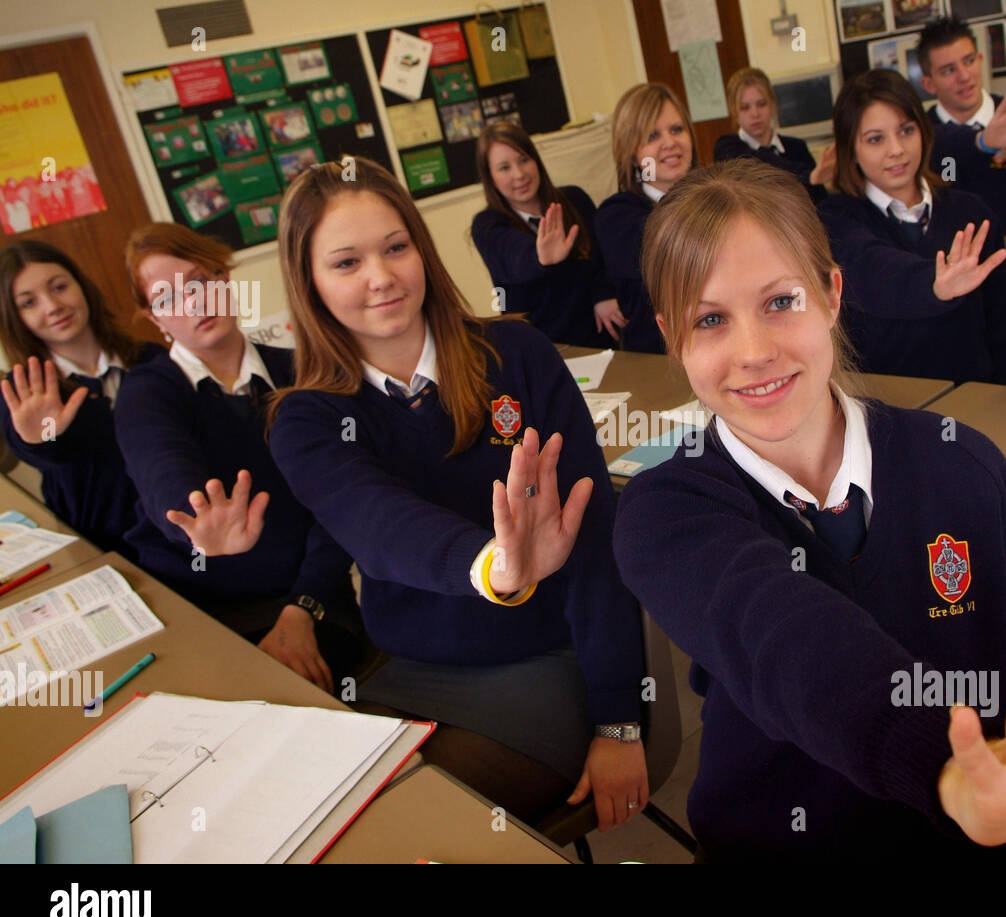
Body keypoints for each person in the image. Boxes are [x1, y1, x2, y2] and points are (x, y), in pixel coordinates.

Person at [612, 159, 1006, 861]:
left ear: (832, 293)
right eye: (711, 319)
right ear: (672, 337)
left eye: (781, 301)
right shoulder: (663, 510)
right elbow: (785, 637)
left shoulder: (963, 467)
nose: (753, 351)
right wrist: (946, 770)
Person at [266, 157, 648, 829]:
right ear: (309, 282)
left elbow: (592, 543)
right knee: (321, 823)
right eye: (347, 263)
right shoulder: (306, 418)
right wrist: (493, 566)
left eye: (395, 247)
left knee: (419, 828)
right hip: (409, 668)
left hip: (546, 657)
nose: (381, 278)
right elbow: (381, 526)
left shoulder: (518, 354)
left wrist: (619, 719)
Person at [117, 223, 363, 695]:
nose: (192, 304)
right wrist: (196, 520)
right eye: (167, 299)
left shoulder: (302, 371)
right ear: (155, 321)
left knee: (305, 697)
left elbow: (342, 505)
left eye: (199, 283)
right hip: (192, 607)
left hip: (309, 597)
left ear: (225, 280)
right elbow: (161, 470)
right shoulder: (147, 390)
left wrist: (303, 607)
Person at [818, 69, 1006, 387]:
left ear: (924, 132)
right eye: (875, 139)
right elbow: (871, 268)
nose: (896, 149)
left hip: (980, 403)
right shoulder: (834, 218)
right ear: (851, 150)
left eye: (906, 131)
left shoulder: (971, 212)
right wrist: (935, 283)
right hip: (891, 408)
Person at [0, 241, 164, 556]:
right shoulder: (25, 390)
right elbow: (45, 447)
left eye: (59, 287)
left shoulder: (149, 360)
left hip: (179, 543)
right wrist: (46, 431)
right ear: (13, 318)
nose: (52, 306)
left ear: (82, 286)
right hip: (103, 552)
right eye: (28, 303)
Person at [470, 120, 626, 347]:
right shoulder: (487, 226)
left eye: (524, 160)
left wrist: (603, 293)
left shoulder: (574, 200)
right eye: (504, 168)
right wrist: (540, 256)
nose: (519, 174)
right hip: (541, 347)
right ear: (490, 177)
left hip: (601, 336)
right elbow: (514, 257)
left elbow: (602, 257)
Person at [918, 16, 1006, 234]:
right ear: (929, 84)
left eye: (969, 61)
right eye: (948, 70)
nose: (964, 76)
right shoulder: (920, 133)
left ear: (981, 59)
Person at [595, 83, 699, 354]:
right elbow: (672, 255)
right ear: (631, 152)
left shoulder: (720, 193)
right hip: (658, 363)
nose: (670, 143)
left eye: (677, 129)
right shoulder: (615, 216)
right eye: (653, 135)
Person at [713, 67, 833, 203]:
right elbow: (757, 163)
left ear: (772, 103)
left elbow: (820, 200)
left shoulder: (797, 147)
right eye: (745, 107)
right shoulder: (727, 147)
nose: (755, 114)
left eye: (761, 104)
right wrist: (808, 177)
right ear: (734, 112)